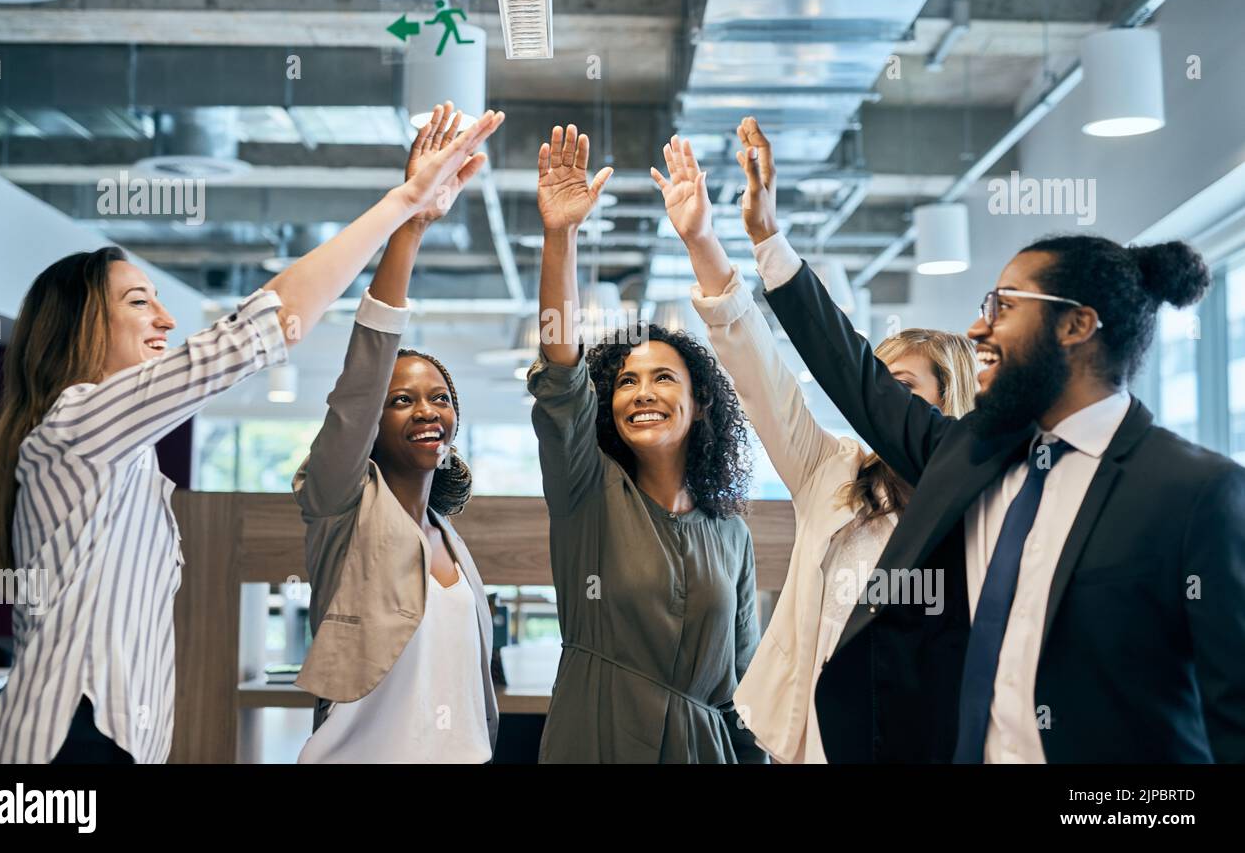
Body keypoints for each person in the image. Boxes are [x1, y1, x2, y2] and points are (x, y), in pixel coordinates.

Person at [0, 108, 504, 764]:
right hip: (62, 750)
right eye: (139, 301)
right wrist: (402, 207)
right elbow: (263, 328)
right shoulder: (78, 424)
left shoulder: (121, 457)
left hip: (106, 745)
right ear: (78, 328)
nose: (166, 316)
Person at [735, 115, 1245, 763]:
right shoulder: (971, 453)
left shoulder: (1195, 491)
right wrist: (768, 239)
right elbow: (856, 377)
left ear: (1077, 325)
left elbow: (1232, 716)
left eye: (1003, 305)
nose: (978, 329)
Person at [651, 133, 978, 763]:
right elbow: (759, 370)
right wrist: (704, 243)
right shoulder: (831, 472)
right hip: (815, 743)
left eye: (900, 388)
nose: (879, 408)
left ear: (949, 400)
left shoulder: (980, 500)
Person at [527, 123, 764, 763]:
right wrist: (561, 236)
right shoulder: (586, 492)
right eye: (626, 382)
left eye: (664, 377)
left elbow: (748, 689)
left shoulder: (731, 535)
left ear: (701, 402)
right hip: (596, 743)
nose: (642, 392)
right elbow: (560, 375)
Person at [295, 103, 497, 763]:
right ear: (372, 427)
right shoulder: (341, 507)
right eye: (402, 400)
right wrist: (411, 226)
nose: (426, 410)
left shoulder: (450, 539)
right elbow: (361, 380)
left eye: (439, 398)